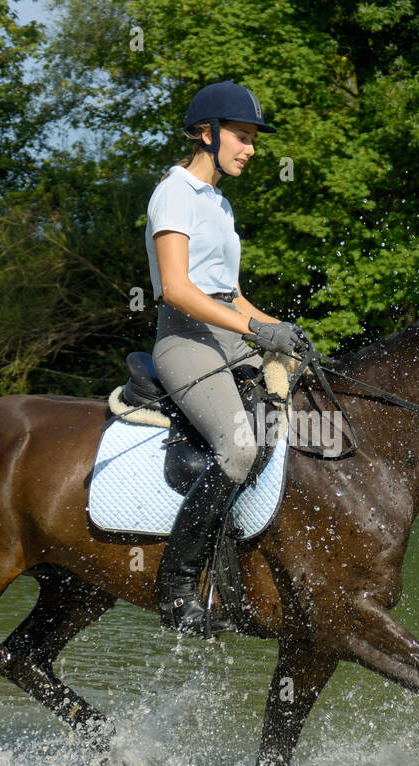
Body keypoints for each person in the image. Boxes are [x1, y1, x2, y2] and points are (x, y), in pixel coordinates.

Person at [146, 80, 309, 636]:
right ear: (207, 134)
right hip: (186, 339)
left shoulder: (217, 201)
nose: (251, 149)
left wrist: (277, 330)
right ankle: (176, 589)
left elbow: (229, 293)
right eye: (242, 137)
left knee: (301, 416)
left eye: (252, 139)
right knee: (239, 447)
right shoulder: (175, 193)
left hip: (228, 332)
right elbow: (176, 289)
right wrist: (256, 330)